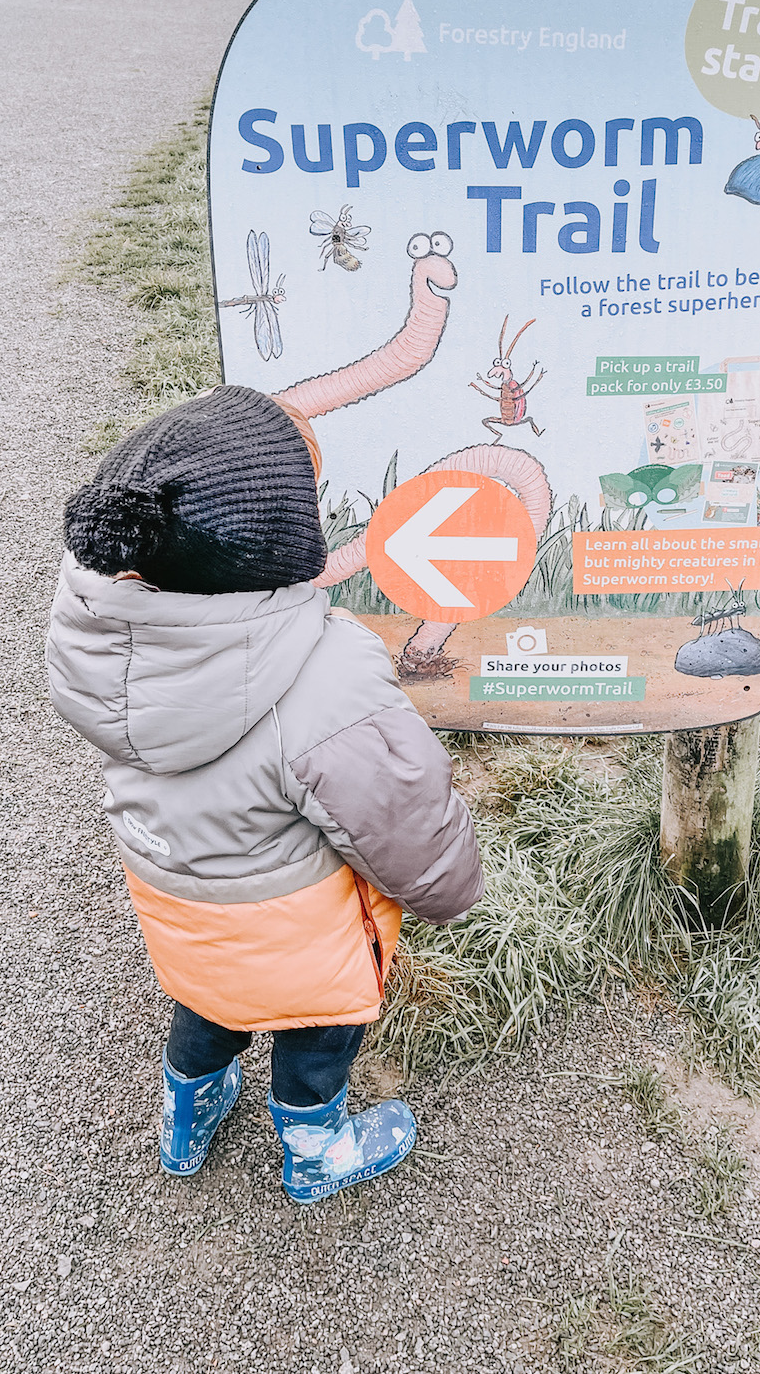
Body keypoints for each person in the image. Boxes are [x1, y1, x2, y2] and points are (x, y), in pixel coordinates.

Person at [46, 386, 484, 1204]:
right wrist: (455, 889)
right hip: (299, 940)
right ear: (283, 541)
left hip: (180, 918)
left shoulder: (101, 643)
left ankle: (188, 1123)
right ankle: (314, 1150)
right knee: (316, 1045)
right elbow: (405, 825)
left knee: (207, 1009)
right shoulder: (325, 678)